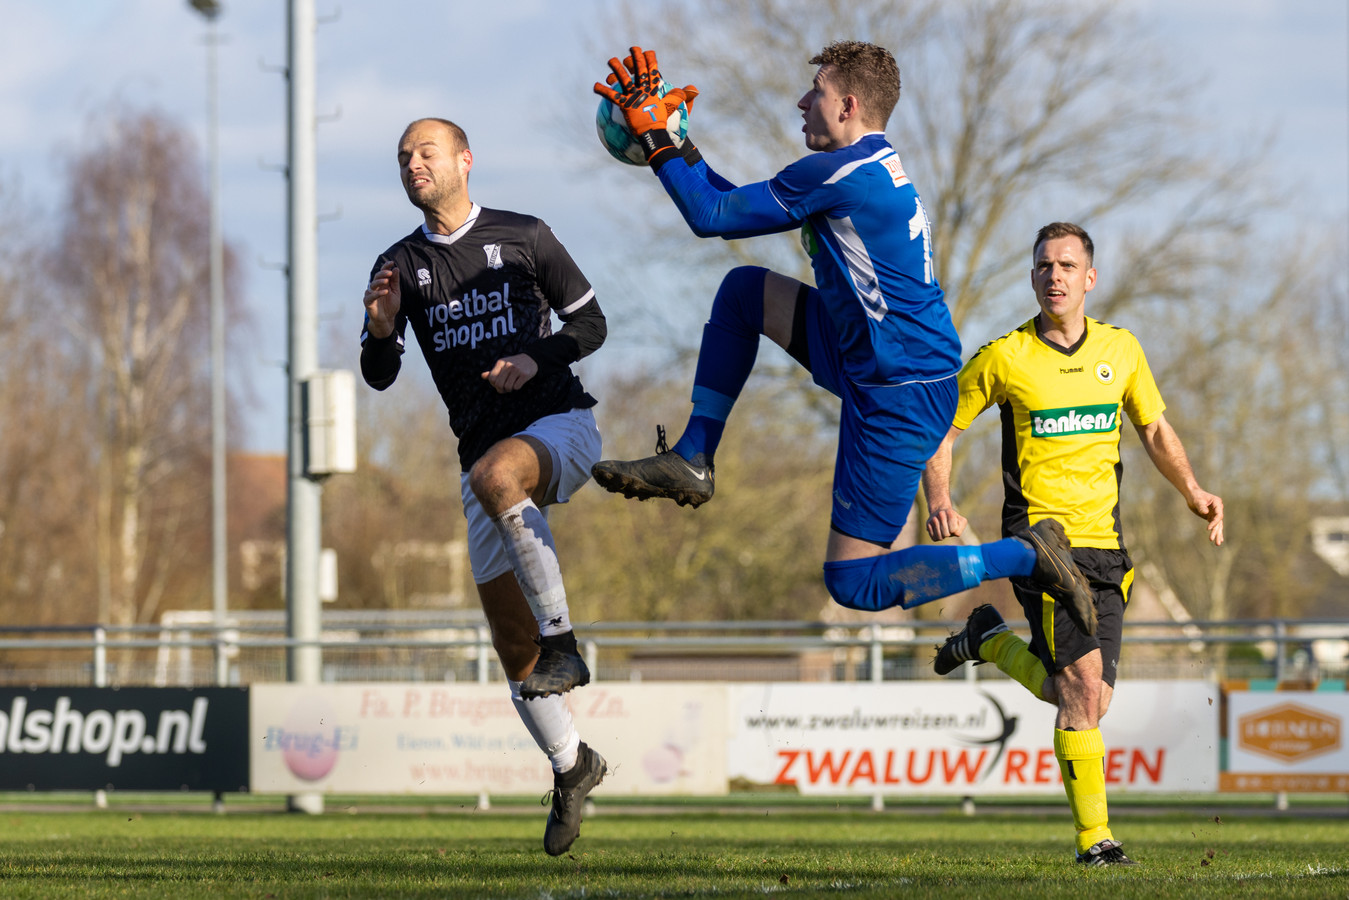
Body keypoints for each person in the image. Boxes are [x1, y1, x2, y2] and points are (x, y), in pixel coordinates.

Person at [590, 44, 1096, 623]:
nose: (802, 102)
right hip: (873, 358)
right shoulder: (861, 167)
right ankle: (694, 458)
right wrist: (678, 145)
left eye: (818, 93)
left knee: (852, 581)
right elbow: (729, 206)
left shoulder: (840, 175)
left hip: (896, 393)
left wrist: (658, 143)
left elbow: (710, 217)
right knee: (742, 294)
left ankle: (1026, 555)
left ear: (849, 105)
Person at [922, 221, 1225, 867]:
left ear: (1088, 278)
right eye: (1041, 266)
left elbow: (1151, 427)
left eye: (1064, 265)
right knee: (1082, 690)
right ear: (1030, 277)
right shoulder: (1003, 357)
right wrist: (939, 501)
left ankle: (987, 639)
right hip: (1039, 543)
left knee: (1089, 698)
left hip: (1105, 548)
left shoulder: (1122, 349)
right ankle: (1097, 844)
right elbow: (940, 430)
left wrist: (1192, 490)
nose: (1052, 276)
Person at [359, 118, 608, 856]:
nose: (414, 166)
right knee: (512, 650)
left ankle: (566, 641)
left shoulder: (525, 235)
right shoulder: (397, 265)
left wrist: (535, 359)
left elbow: (591, 323)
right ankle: (572, 766)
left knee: (500, 473)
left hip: (558, 422)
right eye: (403, 158)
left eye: (426, 153)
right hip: (479, 460)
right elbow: (379, 375)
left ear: (465, 161)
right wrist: (378, 331)